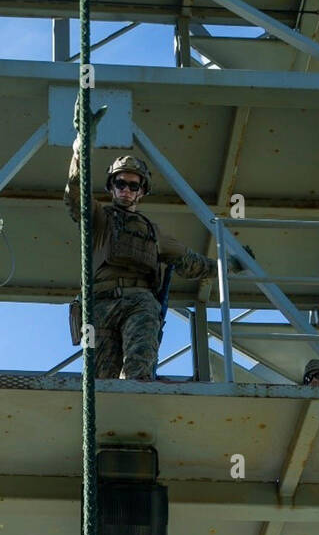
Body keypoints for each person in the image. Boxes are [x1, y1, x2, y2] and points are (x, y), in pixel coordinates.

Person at [65, 141, 245, 379]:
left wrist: (232, 265)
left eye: (133, 185)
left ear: (141, 191)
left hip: (140, 302)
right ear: (112, 187)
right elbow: (74, 195)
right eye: (120, 183)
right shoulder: (98, 218)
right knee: (100, 381)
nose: (126, 190)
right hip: (100, 305)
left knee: (138, 370)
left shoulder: (154, 233)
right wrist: (79, 153)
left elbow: (192, 263)